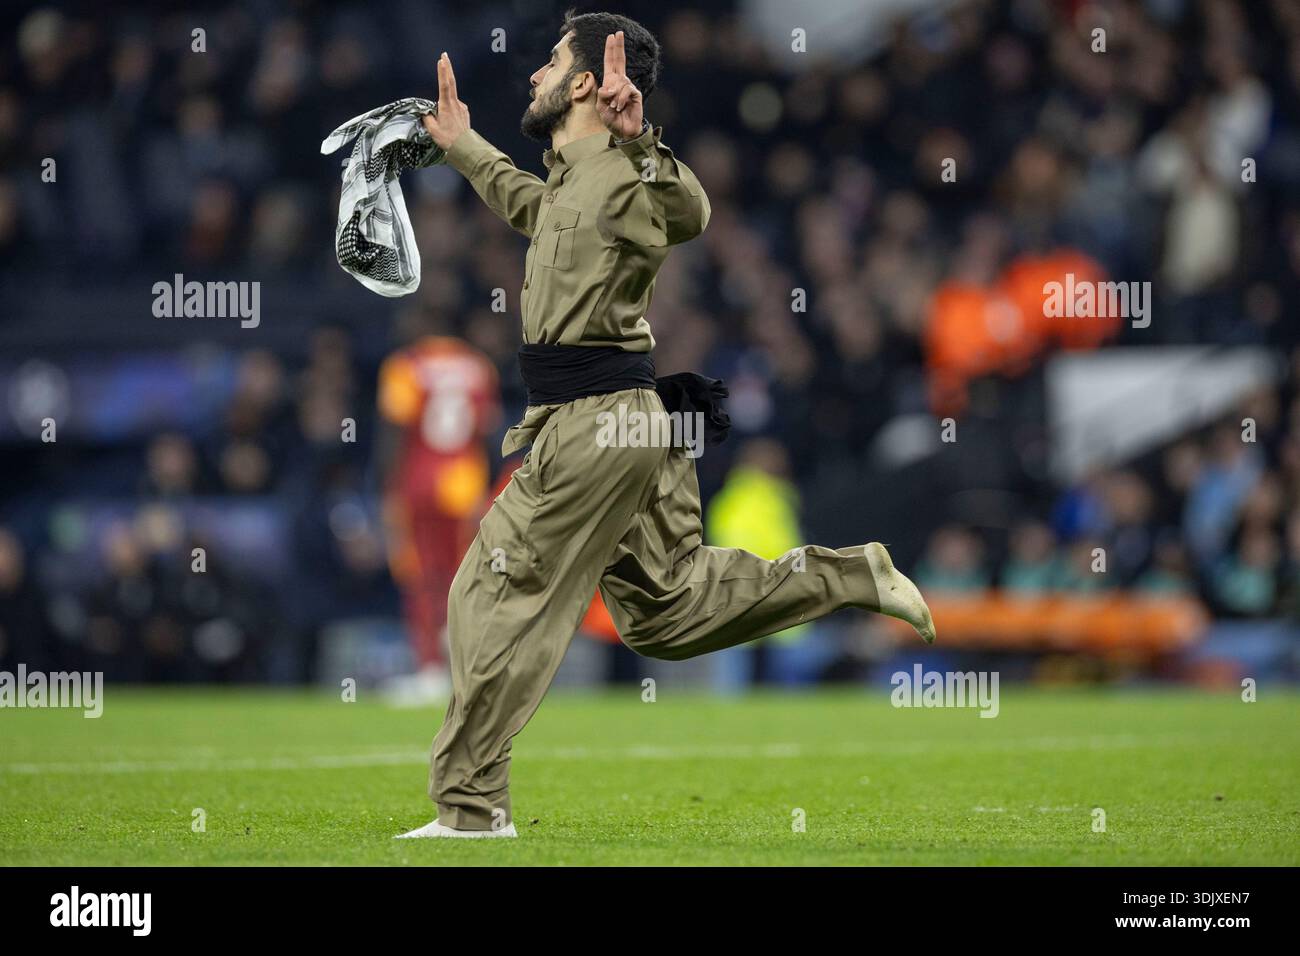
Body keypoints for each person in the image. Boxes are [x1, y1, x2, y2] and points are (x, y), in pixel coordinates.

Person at [398, 12, 934, 840]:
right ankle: (848, 575)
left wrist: (643, 137)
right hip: (626, 425)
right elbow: (531, 208)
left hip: (599, 423)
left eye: (549, 62)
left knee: (491, 590)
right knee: (665, 609)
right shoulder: (572, 179)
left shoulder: (622, 169)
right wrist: (464, 144)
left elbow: (690, 213)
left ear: (584, 81)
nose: (534, 74)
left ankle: (471, 810)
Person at [377, 320, 500, 704]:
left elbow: (394, 428)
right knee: (466, 577)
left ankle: (431, 670)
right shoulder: (478, 365)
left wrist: (387, 484)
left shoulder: (406, 364)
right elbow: (487, 429)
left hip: (420, 481)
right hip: (464, 481)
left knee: (423, 578)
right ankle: (473, 670)